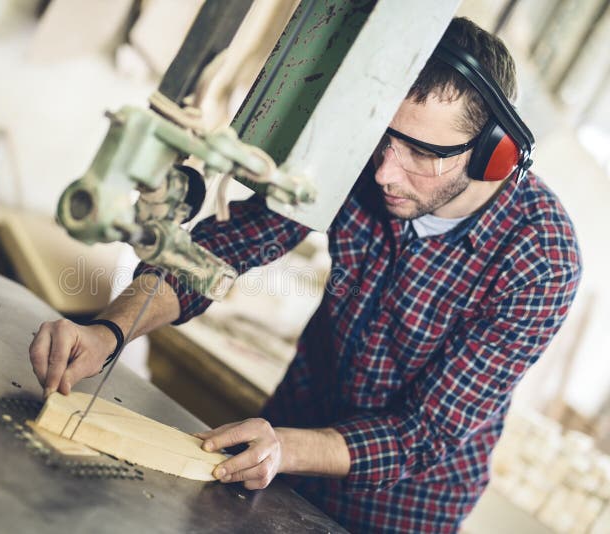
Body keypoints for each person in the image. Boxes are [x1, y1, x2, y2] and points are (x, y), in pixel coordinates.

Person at [29, 17, 581, 532]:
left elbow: (425, 432)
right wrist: (110, 332)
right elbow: (231, 244)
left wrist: (284, 449)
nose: (386, 172)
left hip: (402, 509)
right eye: (384, 139)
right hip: (284, 442)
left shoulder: (541, 258)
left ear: (494, 154)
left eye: (420, 152)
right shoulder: (358, 161)